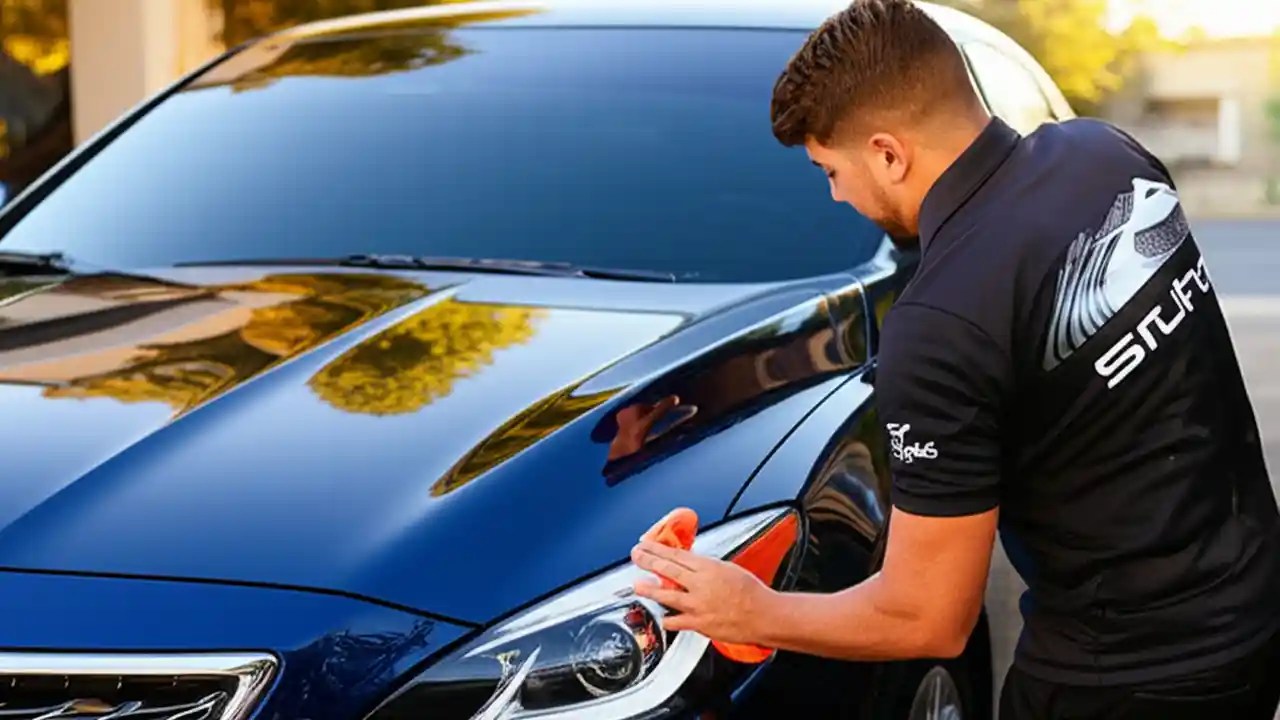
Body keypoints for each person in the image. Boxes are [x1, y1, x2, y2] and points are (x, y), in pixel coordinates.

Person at [629, 0, 1280, 717]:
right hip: (1252, 613)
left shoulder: (942, 320)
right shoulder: (1107, 155)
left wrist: (753, 609)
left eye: (829, 170)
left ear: (887, 152)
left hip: (1123, 682)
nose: (836, 194)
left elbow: (928, 618)